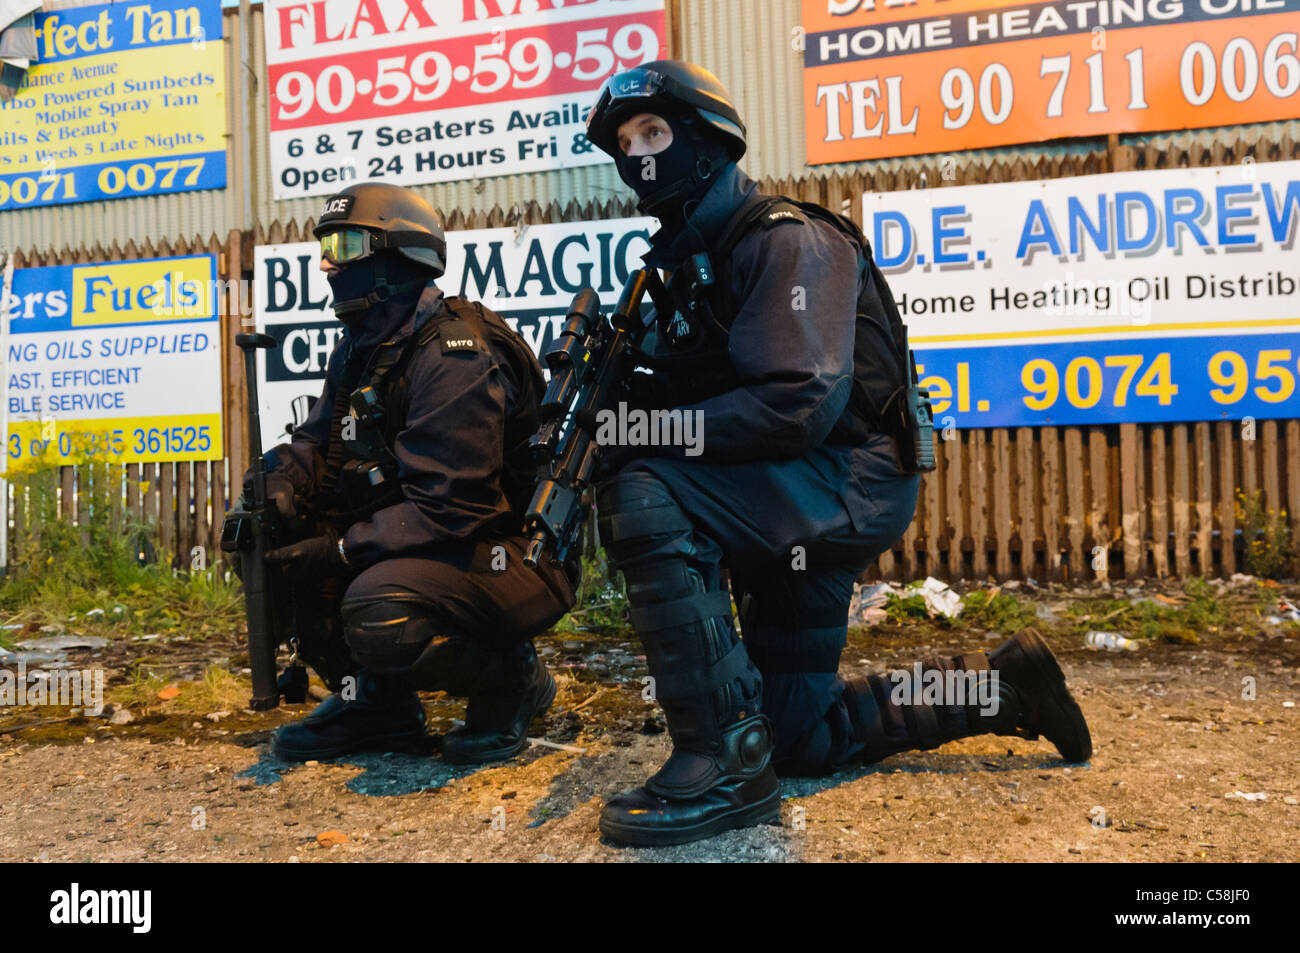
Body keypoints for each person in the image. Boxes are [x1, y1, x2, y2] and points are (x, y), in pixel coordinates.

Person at [582, 61, 1092, 847]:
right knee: (803, 740)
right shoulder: (690, 267)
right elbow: (714, 398)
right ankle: (1001, 687)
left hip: (845, 482)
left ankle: (720, 758)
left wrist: (642, 431)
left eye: (655, 132)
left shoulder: (790, 240)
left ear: (710, 143)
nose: (640, 154)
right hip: (794, 492)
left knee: (645, 484)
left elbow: (795, 402)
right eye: (625, 142)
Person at [238, 183, 576, 765]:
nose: (326, 262)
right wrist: (278, 485)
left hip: (512, 556)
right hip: (430, 545)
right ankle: (377, 706)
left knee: (378, 605)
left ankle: (510, 680)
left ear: (395, 256)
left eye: (343, 247)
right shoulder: (363, 348)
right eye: (325, 247)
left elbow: (451, 506)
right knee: (264, 530)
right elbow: (320, 440)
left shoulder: (453, 355)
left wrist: (342, 548)